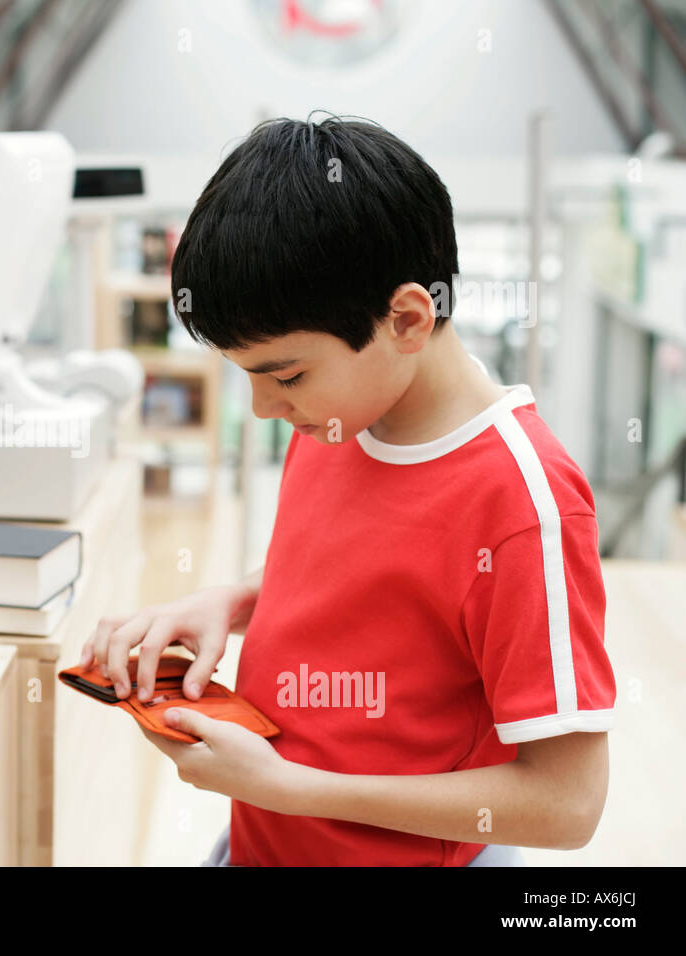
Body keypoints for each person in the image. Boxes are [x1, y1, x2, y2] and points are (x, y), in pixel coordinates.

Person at [82, 115, 615, 866]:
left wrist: (294, 787)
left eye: (286, 375)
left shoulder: (524, 505)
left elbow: (567, 804)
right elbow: (370, 579)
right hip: (259, 843)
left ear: (405, 318)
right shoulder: (340, 415)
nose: (266, 409)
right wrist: (231, 603)